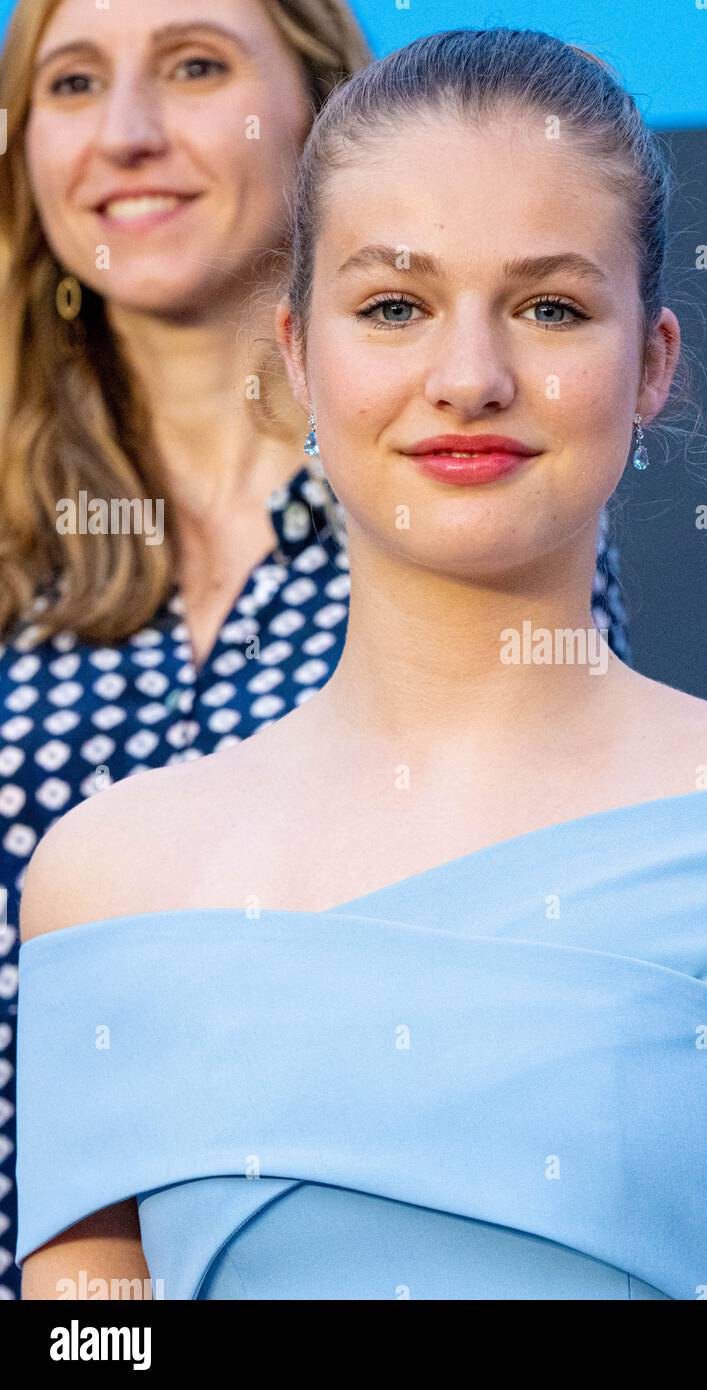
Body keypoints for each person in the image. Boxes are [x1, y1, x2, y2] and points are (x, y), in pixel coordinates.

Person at [14, 26, 707, 1300]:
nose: (468, 377)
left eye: (548, 307)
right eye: (393, 307)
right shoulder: (108, 879)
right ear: (299, 356)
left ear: (649, 364)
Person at [0, 1, 628, 1297]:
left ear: (325, 116)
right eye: (70, 81)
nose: (124, 134)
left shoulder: (456, 498)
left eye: (192, 67)